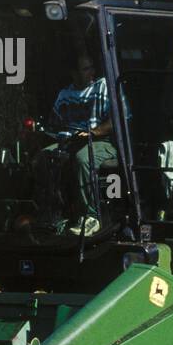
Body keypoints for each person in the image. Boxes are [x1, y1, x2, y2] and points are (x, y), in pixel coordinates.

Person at [44, 52, 118, 237]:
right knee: (43, 158)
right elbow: (53, 124)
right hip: (69, 142)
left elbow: (116, 121)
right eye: (86, 69)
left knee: (83, 159)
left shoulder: (104, 87)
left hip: (101, 142)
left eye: (92, 67)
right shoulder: (64, 95)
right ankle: (53, 214)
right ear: (74, 73)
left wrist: (93, 132)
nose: (91, 72)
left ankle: (91, 218)